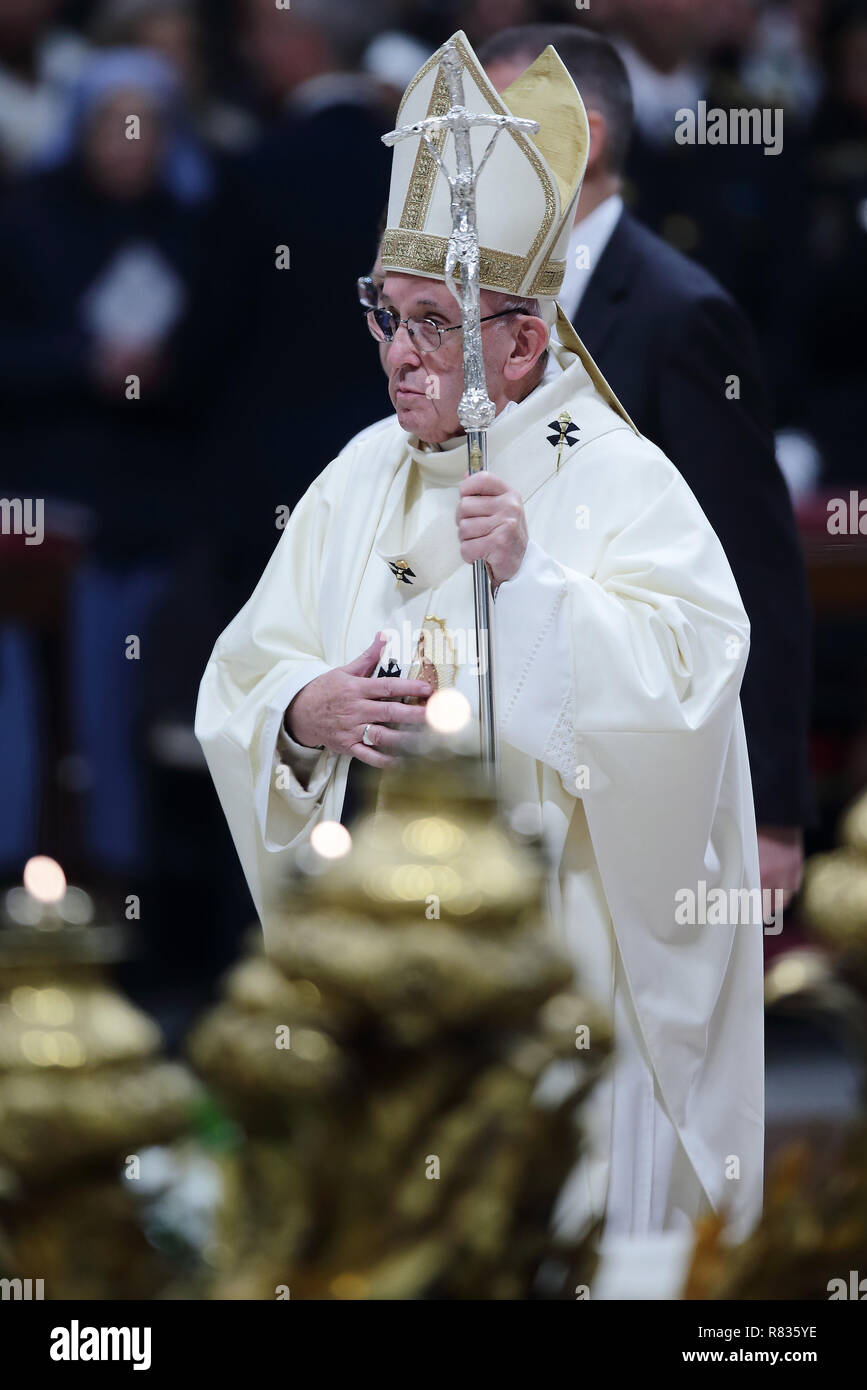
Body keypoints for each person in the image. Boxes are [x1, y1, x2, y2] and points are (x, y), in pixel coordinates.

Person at [196, 30, 764, 1242]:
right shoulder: (359, 474)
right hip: (386, 966)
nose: (399, 354)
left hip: (560, 962)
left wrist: (540, 589)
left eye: (432, 325)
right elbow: (245, 672)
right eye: (384, 316)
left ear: (521, 338)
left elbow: (696, 685)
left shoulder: (624, 479)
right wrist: (305, 711)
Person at [479, 24, 813, 908]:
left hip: (648, 741)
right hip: (515, 734)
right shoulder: (478, 308)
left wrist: (773, 811)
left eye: (500, 130)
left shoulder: (682, 313)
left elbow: (754, 564)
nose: (473, 160)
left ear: (580, 136)